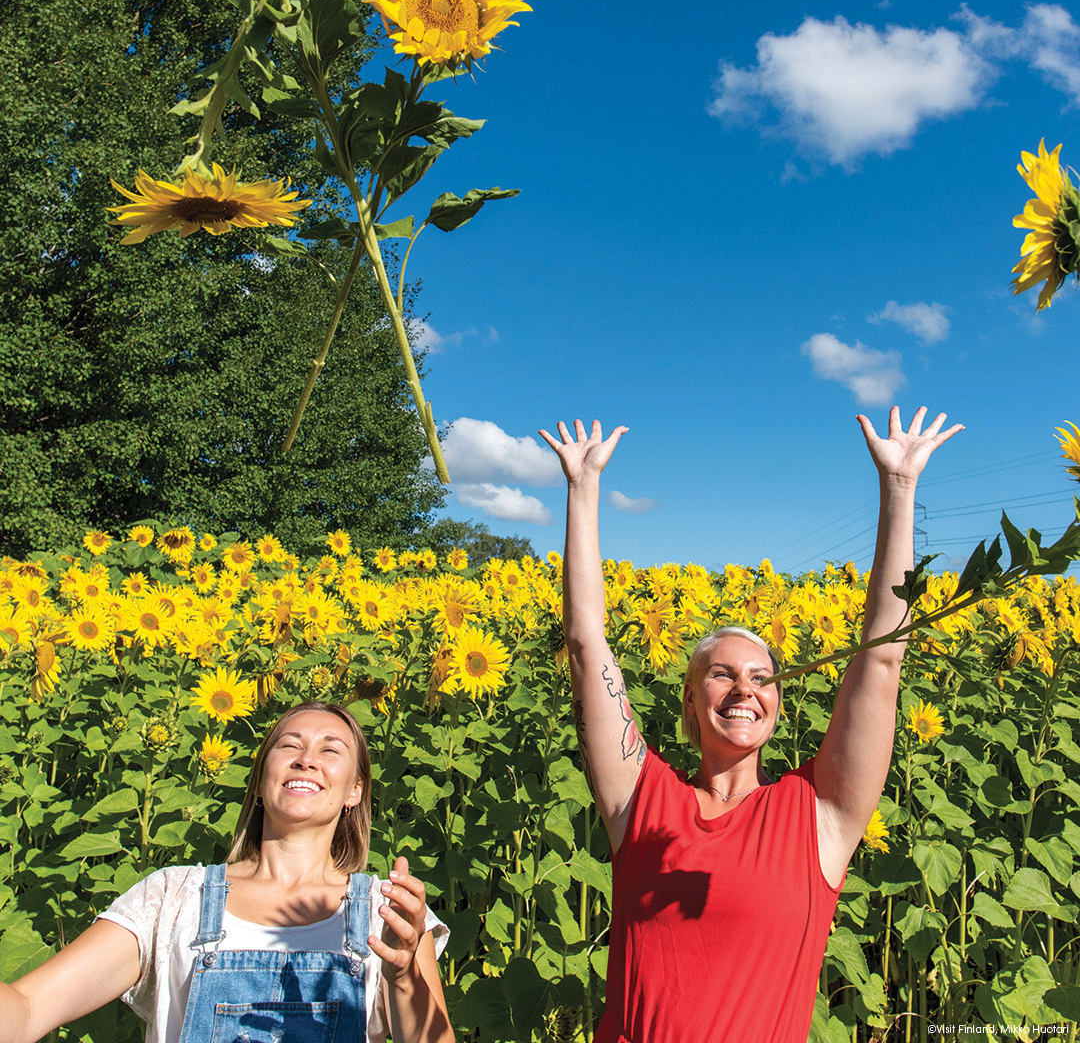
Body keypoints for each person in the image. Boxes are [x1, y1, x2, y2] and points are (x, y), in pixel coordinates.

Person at [539, 408, 963, 1043]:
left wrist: (899, 490)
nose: (743, 688)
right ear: (688, 701)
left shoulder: (819, 815)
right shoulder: (643, 799)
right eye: (721, 674)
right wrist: (582, 489)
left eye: (762, 677)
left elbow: (882, 656)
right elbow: (585, 645)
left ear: (779, 704)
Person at [0, 701, 454, 1043]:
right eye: (289, 745)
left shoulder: (387, 912)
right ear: (259, 783)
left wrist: (404, 976)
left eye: (330, 749)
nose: (306, 759)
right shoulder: (173, 897)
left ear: (355, 790)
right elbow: (27, 1007)